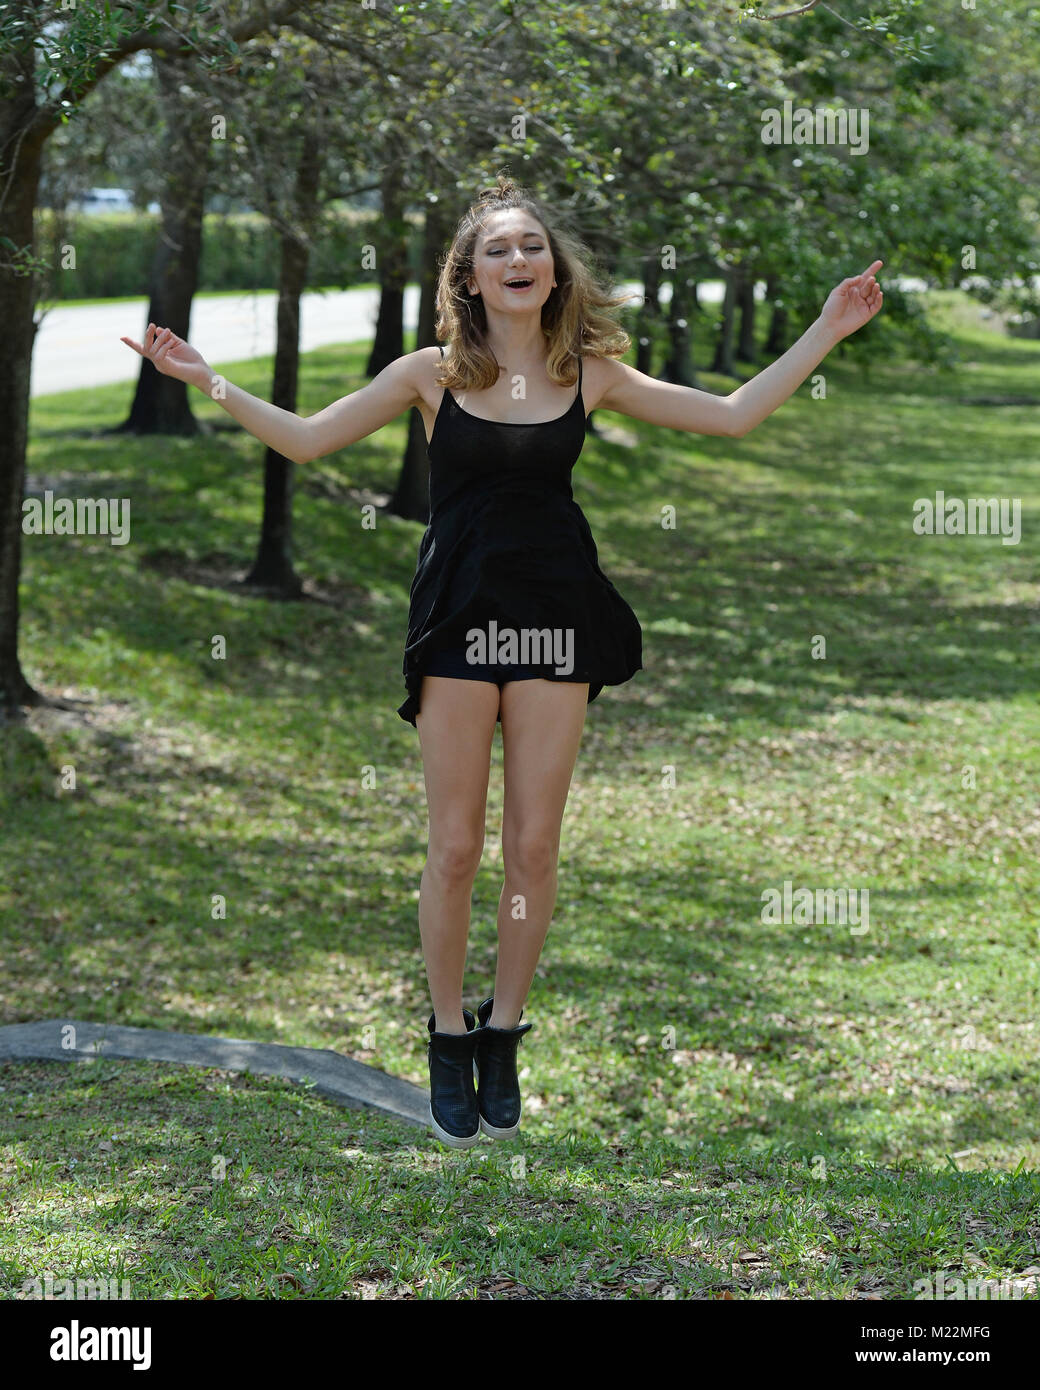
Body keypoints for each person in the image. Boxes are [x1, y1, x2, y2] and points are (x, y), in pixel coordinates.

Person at [121, 174, 883, 1150]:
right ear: (469, 278)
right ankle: (448, 1033)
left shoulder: (590, 372)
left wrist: (825, 329)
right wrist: (207, 382)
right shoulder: (429, 373)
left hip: (556, 621)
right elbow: (308, 442)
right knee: (454, 847)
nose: (518, 259)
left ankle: (504, 1030)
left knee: (533, 847)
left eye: (532, 247)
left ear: (552, 272)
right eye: (497, 250)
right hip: (457, 620)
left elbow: (733, 414)